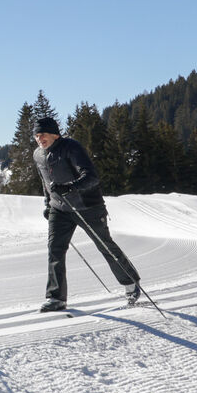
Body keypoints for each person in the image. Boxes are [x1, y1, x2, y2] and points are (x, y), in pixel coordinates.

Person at [32, 115, 142, 312]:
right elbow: (46, 183)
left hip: (88, 206)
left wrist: (70, 187)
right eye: (37, 136)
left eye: (44, 135)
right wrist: (48, 204)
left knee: (104, 246)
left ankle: (131, 283)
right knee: (55, 250)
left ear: (55, 135)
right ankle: (56, 298)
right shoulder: (38, 155)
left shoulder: (71, 147)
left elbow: (91, 177)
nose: (40, 139)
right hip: (60, 209)